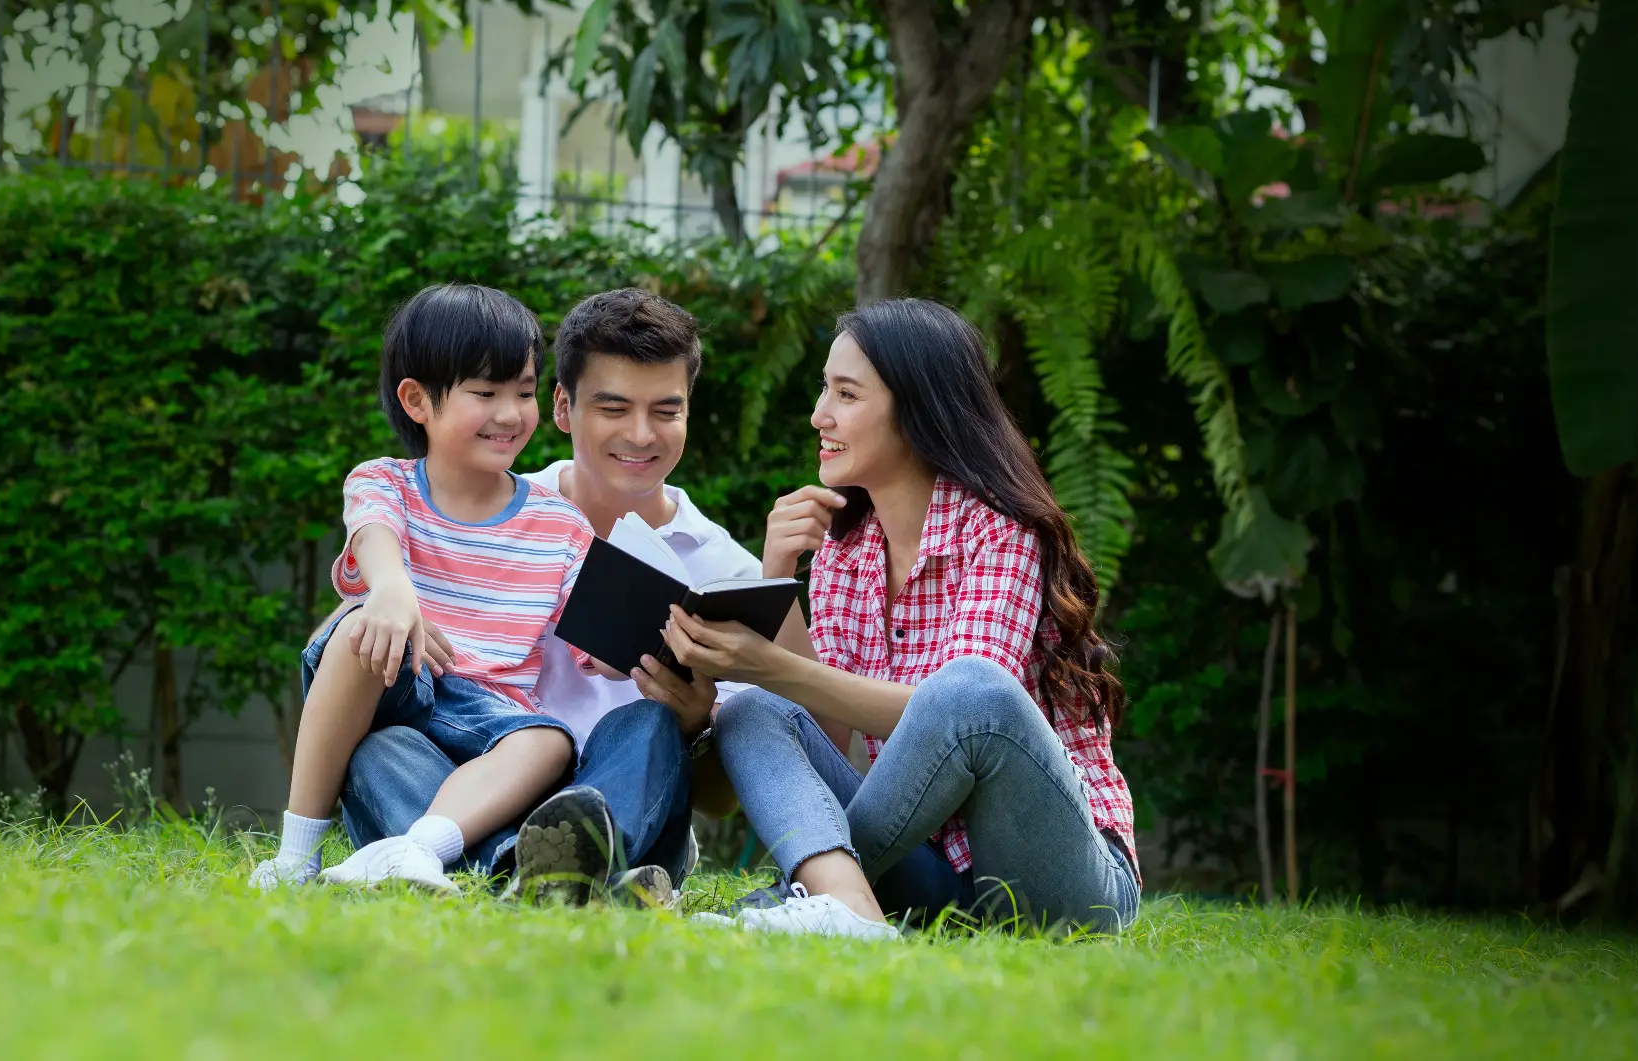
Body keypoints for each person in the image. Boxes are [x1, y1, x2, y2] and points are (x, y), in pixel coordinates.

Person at [669, 298, 1141, 939]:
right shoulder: (845, 554)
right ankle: (852, 909)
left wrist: (772, 666)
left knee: (971, 689)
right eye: (824, 389)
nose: (820, 414)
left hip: (1060, 877)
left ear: (919, 409)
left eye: (846, 394)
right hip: (930, 876)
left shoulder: (1000, 531)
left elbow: (966, 716)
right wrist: (776, 576)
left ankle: (804, 895)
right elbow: (826, 734)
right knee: (752, 710)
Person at [339, 288, 804, 904]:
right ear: (561, 405)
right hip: (471, 782)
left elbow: (720, 800)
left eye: (666, 411)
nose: (641, 434)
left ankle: (558, 865)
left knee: (645, 725)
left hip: (620, 801)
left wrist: (695, 724)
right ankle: (544, 879)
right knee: (383, 749)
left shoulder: (724, 573)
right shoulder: (481, 503)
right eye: (614, 408)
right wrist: (382, 610)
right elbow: (354, 639)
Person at [250, 283, 595, 895]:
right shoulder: (384, 483)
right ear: (417, 400)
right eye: (485, 393)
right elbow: (372, 533)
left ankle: (418, 852)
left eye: (524, 392)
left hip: (488, 723)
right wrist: (390, 589)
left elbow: (597, 644)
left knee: (549, 741)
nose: (510, 413)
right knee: (359, 627)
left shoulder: (564, 527)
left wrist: (642, 648)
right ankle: (294, 859)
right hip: (398, 673)